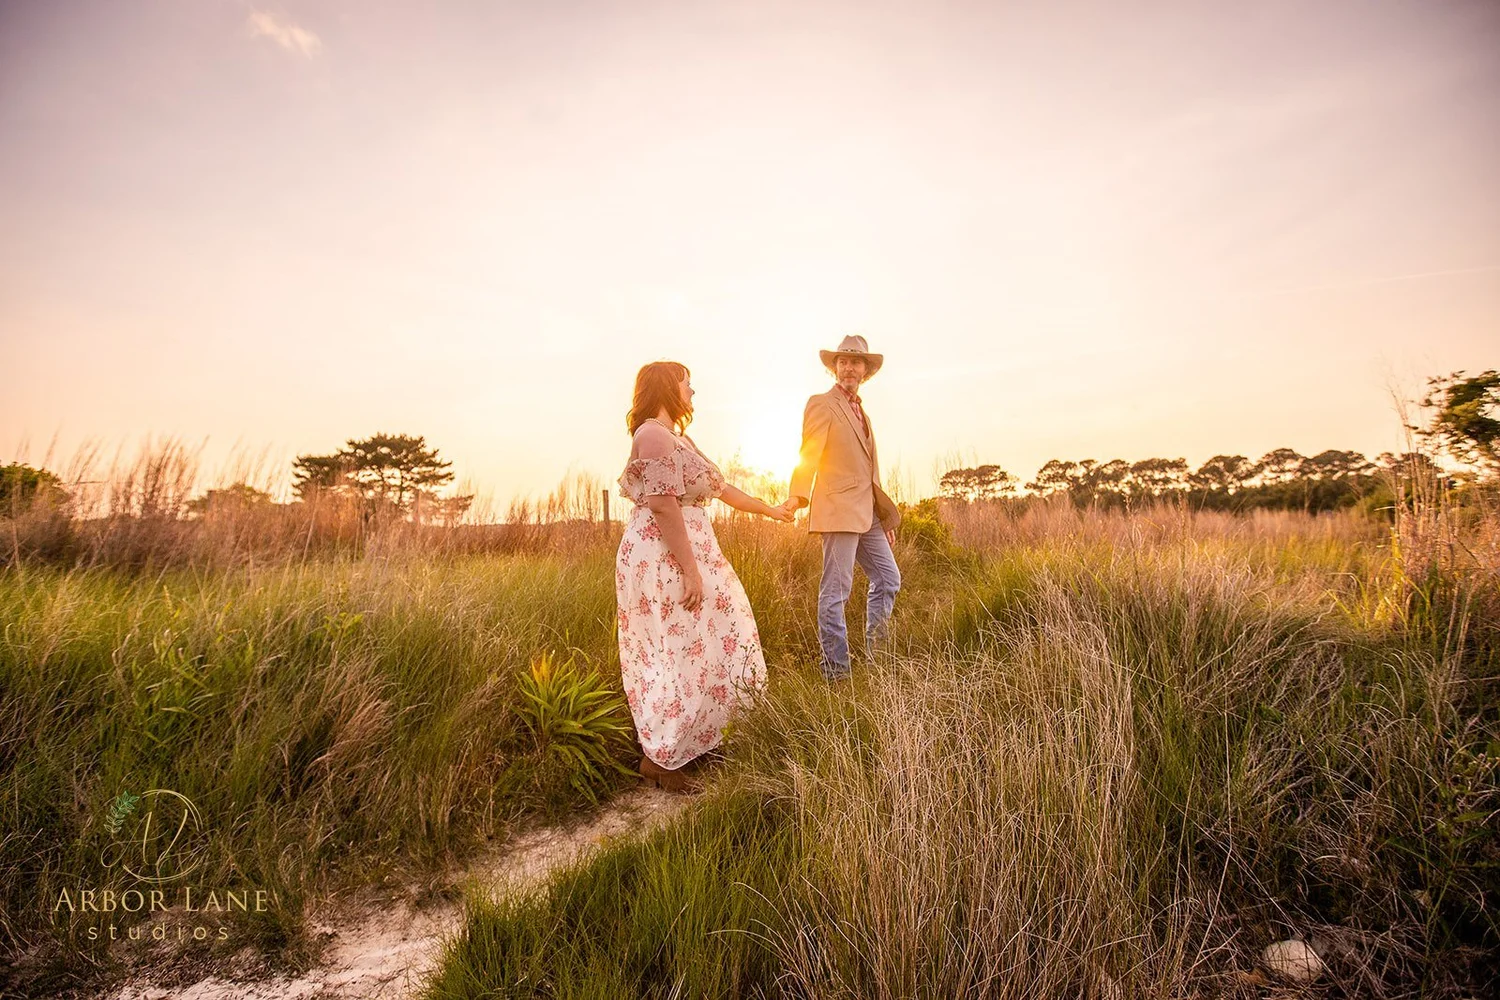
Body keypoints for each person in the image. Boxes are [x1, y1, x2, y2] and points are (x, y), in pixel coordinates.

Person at [615, 361, 793, 793]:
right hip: (663, 555)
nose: (693, 392)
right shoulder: (652, 435)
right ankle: (661, 758)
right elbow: (661, 504)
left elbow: (721, 489)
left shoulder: (679, 437)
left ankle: (695, 741)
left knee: (709, 642)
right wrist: (691, 569)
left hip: (690, 550)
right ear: (666, 388)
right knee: (672, 650)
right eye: (686, 384)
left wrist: (769, 509)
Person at [781, 336, 902, 680]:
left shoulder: (861, 412)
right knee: (836, 591)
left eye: (856, 363)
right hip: (837, 509)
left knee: (888, 578)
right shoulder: (822, 404)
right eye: (843, 362)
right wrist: (797, 496)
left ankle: (878, 660)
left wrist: (881, 514)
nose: (849, 368)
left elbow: (867, 472)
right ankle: (836, 671)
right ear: (834, 368)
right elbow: (809, 452)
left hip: (867, 514)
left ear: (866, 371)